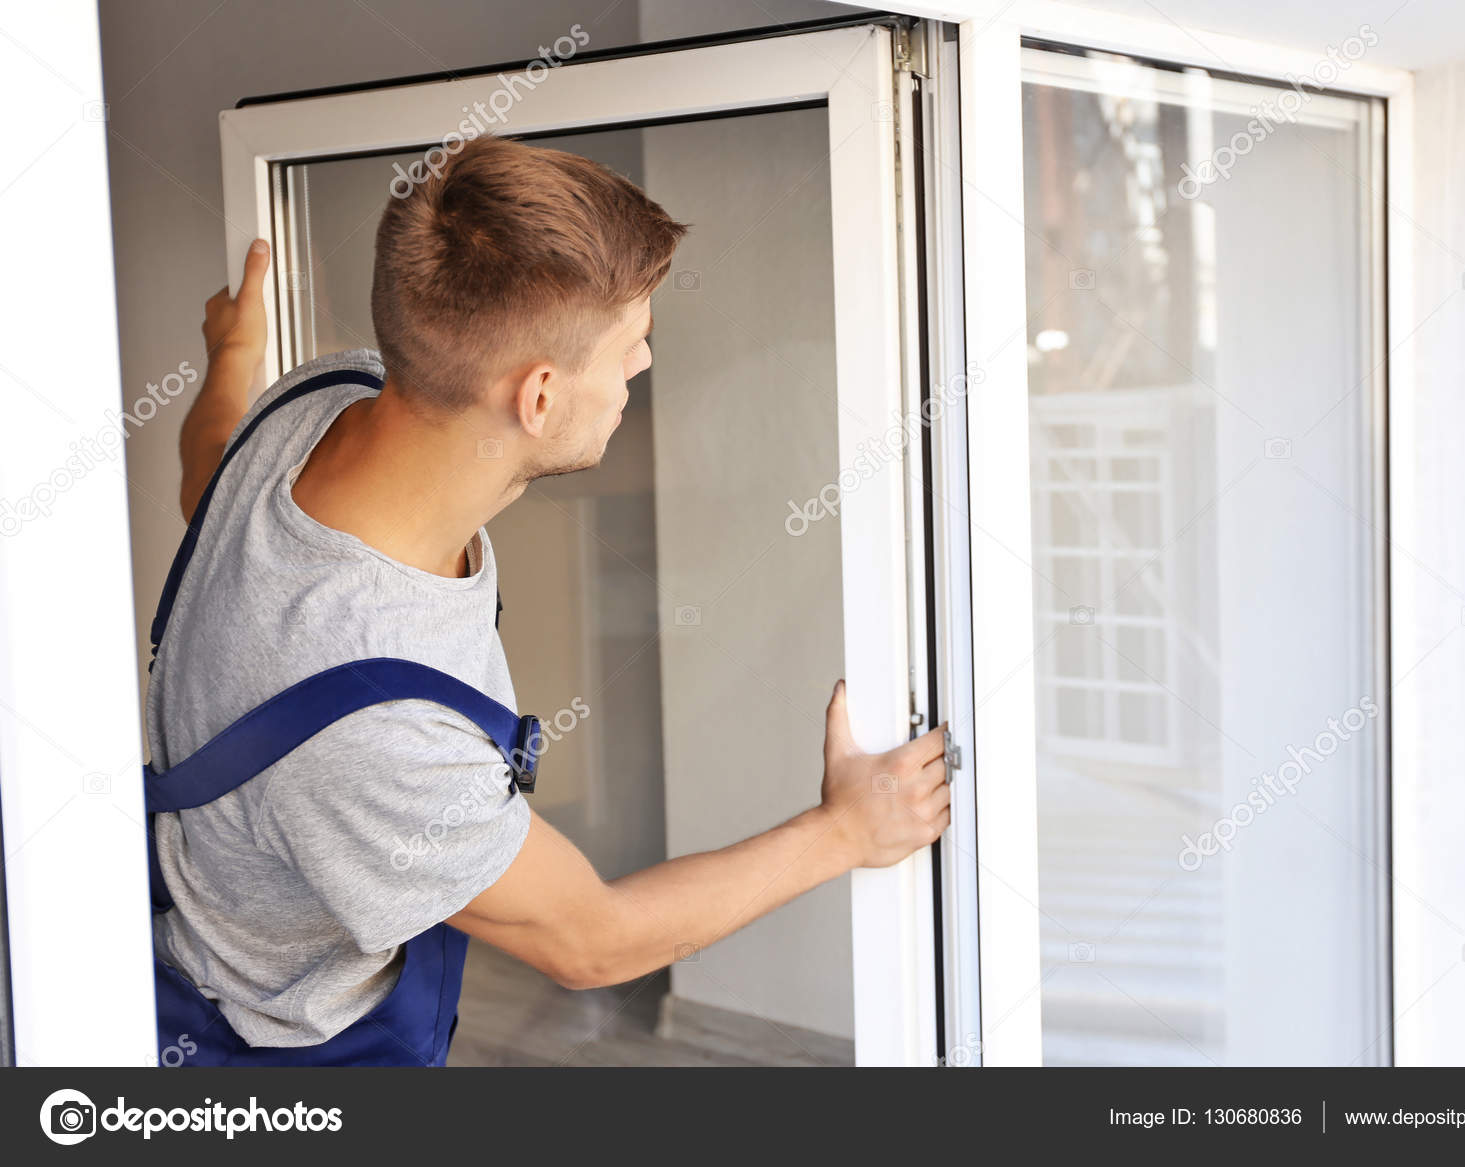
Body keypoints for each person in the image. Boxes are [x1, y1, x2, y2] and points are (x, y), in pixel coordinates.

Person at [149, 135, 949, 1064]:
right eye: (630, 343)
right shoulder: (380, 733)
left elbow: (207, 475)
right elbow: (591, 939)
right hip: (284, 1051)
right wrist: (845, 829)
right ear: (538, 395)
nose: (643, 365)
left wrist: (230, 361)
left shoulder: (316, 399)